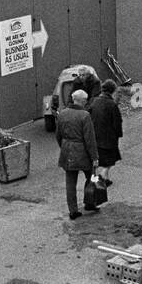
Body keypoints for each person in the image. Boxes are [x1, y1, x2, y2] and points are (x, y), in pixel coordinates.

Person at [56, 89, 99, 220]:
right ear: (81, 101)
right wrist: (95, 157)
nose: (86, 103)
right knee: (92, 177)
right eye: (85, 100)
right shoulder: (85, 115)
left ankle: (73, 210)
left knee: (70, 182)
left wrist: (64, 146)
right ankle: (90, 202)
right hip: (82, 152)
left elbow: (58, 135)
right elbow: (90, 139)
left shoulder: (62, 114)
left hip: (67, 150)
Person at [88, 79, 123, 187]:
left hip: (95, 136)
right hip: (108, 138)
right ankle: (102, 177)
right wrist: (118, 134)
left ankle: (104, 178)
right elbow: (117, 122)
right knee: (109, 160)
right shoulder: (112, 105)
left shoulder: (94, 101)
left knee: (99, 160)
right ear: (112, 91)